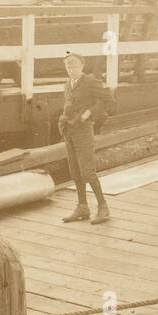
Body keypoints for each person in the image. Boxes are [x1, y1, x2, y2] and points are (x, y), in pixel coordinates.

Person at [59, 52, 115, 224]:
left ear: (82, 66)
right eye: (68, 65)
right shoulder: (67, 85)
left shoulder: (90, 81)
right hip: (69, 130)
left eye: (74, 64)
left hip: (83, 130)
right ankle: (82, 207)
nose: (71, 68)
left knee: (87, 172)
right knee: (74, 171)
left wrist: (87, 114)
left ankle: (103, 207)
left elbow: (108, 100)